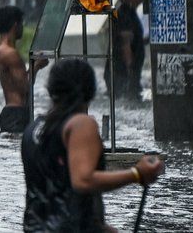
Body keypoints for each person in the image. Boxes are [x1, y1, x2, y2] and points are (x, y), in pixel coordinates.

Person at [22, 58, 164, 232]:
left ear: (51, 89)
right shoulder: (81, 124)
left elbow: (55, 191)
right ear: (90, 90)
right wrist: (137, 174)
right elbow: (83, 180)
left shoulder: (33, 129)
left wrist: (101, 228)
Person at [0, 5, 29, 134]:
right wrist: (36, 66)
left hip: (12, 112)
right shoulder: (10, 53)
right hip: (16, 114)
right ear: (15, 25)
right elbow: (25, 87)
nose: (22, 28)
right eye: (22, 24)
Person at [110, 0, 145, 101]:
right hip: (123, 80)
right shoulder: (124, 14)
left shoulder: (130, 12)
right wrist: (131, 75)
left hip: (126, 79)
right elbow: (126, 46)